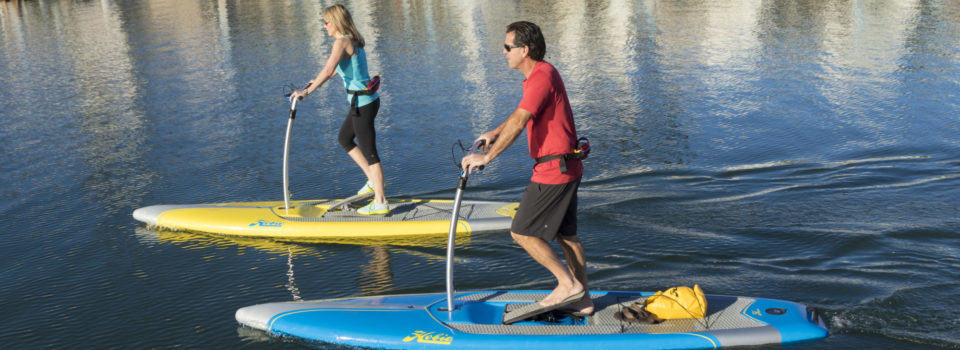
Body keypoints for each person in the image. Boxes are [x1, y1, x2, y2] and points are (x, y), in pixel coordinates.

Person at [461, 21, 593, 316]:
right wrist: (494, 132)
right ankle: (582, 300)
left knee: (521, 232)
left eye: (508, 47)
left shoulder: (541, 77)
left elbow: (520, 122)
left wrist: (487, 157)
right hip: (566, 167)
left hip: (553, 171)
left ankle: (567, 285)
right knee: (567, 237)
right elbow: (522, 112)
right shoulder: (540, 76)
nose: (503, 52)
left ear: (525, 49)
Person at [290, 4, 387, 215]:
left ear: (334, 22)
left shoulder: (341, 42)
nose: (324, 26)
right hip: (363, 103)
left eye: (326, 22)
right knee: (344, 138)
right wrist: (313, 82)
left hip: (363, 105)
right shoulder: (351, 39)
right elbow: (340, 70)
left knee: (371, 153)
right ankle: (372, 180)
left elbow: (328, 69)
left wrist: (307, 92)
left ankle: (380, 201)